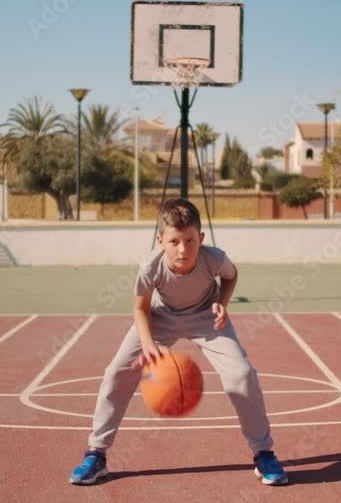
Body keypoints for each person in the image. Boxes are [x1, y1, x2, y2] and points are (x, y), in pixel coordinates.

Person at [69, 198, 288, 486]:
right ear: (161, 240)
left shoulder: (214, 258)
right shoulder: (150, 266)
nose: (183, 249)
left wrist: (222, 304)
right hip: (160, 317)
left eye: (189, 240)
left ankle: (263, 453)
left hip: (205, 317)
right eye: (174, 241)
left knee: (242, 375)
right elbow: (140, 308)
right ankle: (96, 454)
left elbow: (231, 277)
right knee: (116, 373)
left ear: (201, 238)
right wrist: (148, 346)